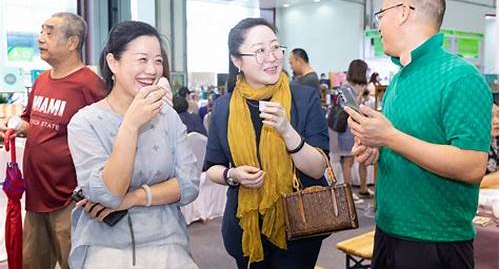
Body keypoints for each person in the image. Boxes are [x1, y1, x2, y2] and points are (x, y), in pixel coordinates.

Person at [345, 0, 492, 269]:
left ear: (403, 12)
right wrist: (376, 148)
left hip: (436, 243)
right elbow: (406, 143)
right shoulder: (400, 78)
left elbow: (472, 165)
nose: (379, 26)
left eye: (381, 15)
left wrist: (389, 138)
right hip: (388, 231)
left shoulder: (460, 77)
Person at [66, 21, 199, 269]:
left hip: (168, 244)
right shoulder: (84, 122)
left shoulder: (168, 117)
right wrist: (130, 126)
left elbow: (189, 185)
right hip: (106, 248)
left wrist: (135, 197)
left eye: (158, 61)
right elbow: (108, 193)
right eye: (142, 59)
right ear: (113, 62)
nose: (152, 70)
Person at [205, 18, 330, 269]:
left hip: (299, 226)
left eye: (275, 48)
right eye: (260, 51)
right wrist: (233, 174)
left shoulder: (303, 98)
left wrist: (287, 131)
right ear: (237, 61)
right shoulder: (223, 108)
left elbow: (318, 168)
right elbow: (212, 168)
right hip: (245, 227)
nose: (272, 58)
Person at [0, 12, 106, 269]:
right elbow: (30, 121)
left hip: (69, 198)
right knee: (32, 262)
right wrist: (13, 126)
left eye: (49, 32)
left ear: (72, 42)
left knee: (75, 262)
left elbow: (108, 137)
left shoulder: (91, 85)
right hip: (35, 194)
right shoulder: (41, 81)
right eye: (41, 32)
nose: (40, 39)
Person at [332, 59, 372, 202]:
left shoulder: (354, 87)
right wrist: (360, 96)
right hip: (347, 130)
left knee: (362, 159)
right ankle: (348, 194)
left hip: (358, 128)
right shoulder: (346, 88)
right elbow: (352, 109)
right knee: (348, 161)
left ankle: (363, 189)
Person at [481, 103, 499, 188]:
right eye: (490, 117)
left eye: (498, 115)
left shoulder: (496, 139)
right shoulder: (474, 145)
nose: (496, 121)